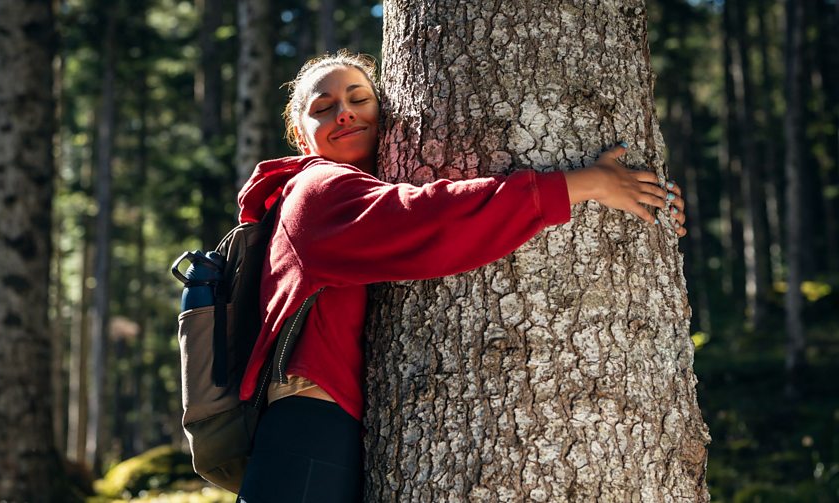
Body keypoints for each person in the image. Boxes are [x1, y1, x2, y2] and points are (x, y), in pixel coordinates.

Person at [234, 50, 687, 503]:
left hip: (327, 425)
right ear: (300, 133)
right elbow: (427, 219)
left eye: (359, 98)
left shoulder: (346, 187)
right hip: (311, 424)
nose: (345, 112)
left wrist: (654, 207)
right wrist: (579, 185)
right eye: (323, 107)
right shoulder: (317, 189)